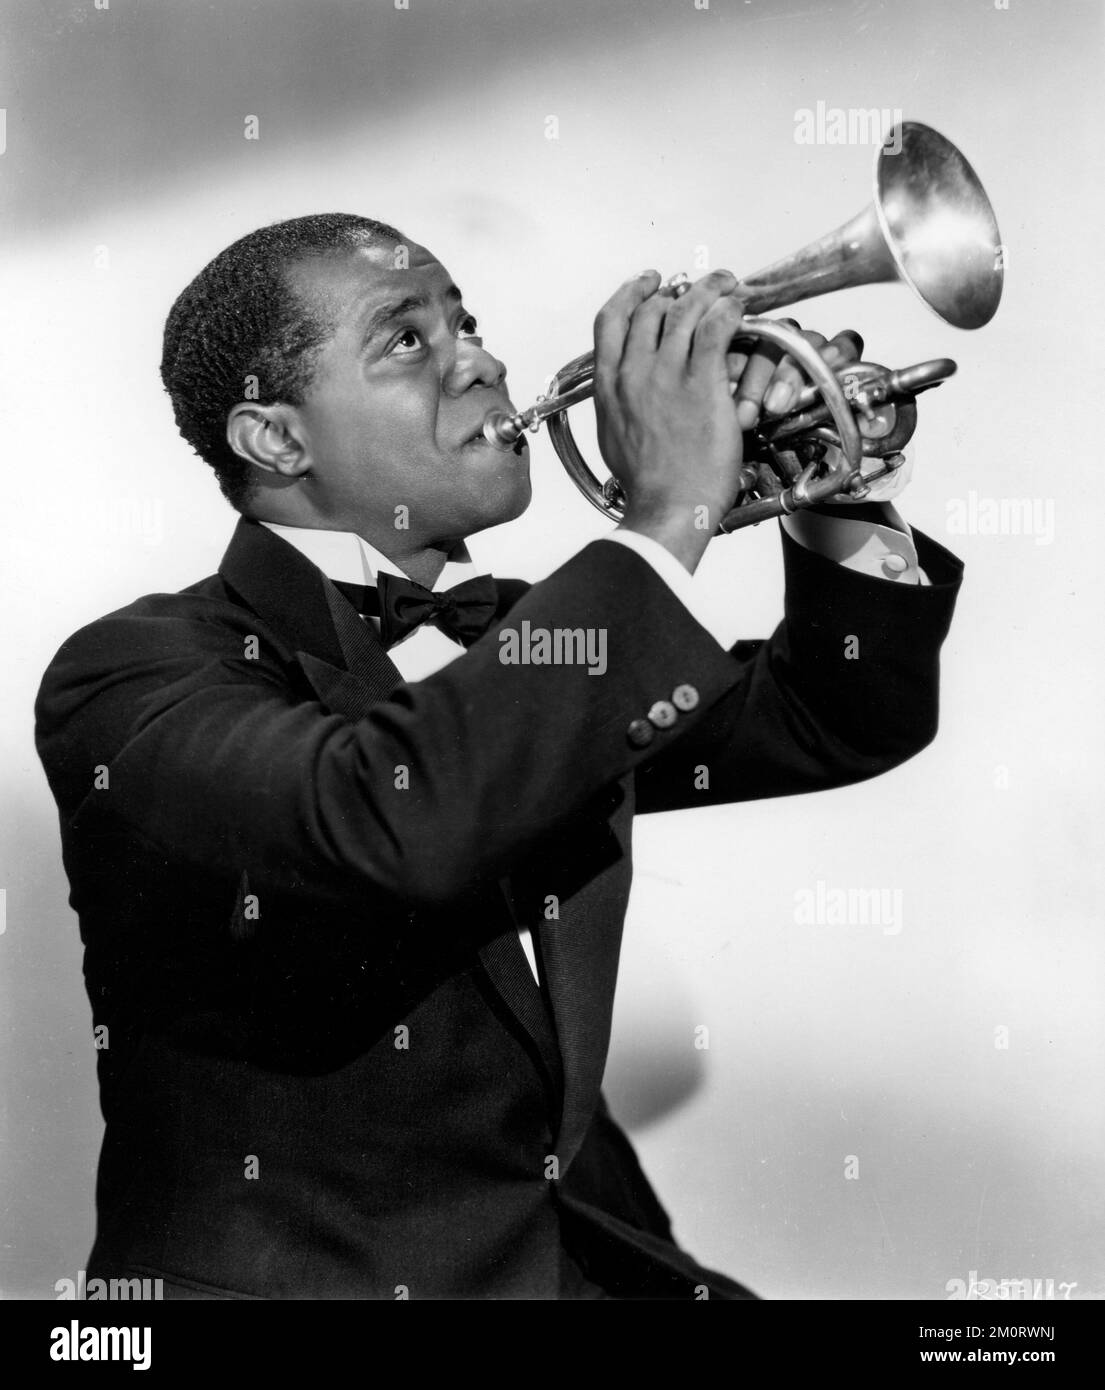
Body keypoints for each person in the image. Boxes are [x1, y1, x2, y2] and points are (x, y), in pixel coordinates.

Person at [34, 213, 962, 1299]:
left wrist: (828, 472)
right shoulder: (130, 677)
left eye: (465, 321)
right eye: (409, 341)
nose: (484, 358)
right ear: (276, 440)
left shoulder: (516, 650)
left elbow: (837, 714)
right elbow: (389, 814)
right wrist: (667, 513)